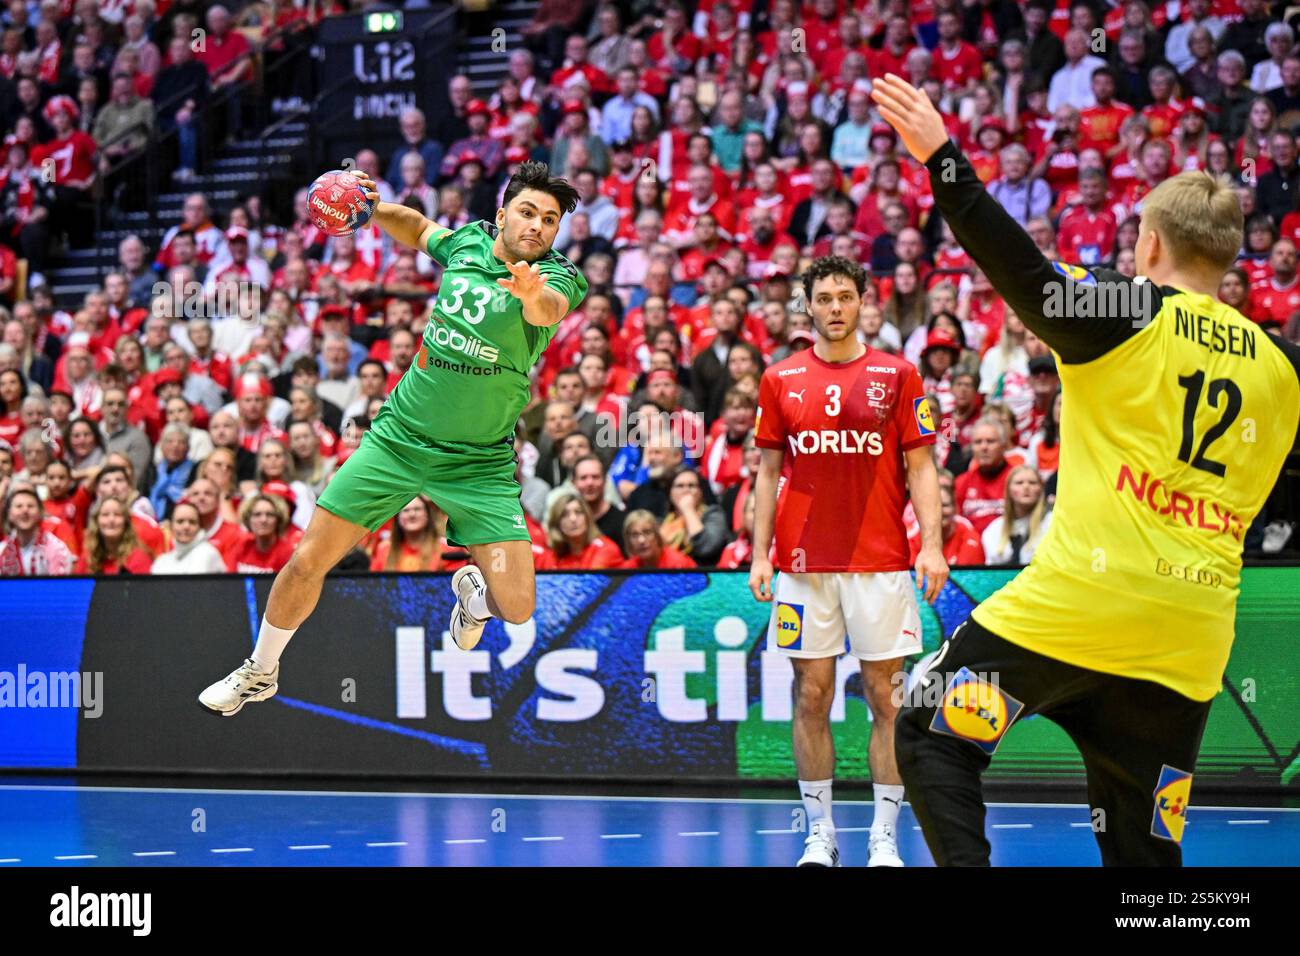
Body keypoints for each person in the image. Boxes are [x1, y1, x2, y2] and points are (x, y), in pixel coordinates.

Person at [872, 73, 1300, 866]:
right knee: (1143, 851)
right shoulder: (1285, 370)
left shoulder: (1128, 310)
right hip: (1190, 644)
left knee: (929, 728)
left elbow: (1022, 270)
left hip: (1077, 614)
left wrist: (943, 159)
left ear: (1149, 246)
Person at [199, 161, 587, 715]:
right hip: (398, 440)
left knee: (518, 608)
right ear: (502, 215)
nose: (538, 226)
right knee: (308, 559)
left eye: (549, 220)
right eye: (528, 212)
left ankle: (472, 596)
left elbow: (548, 308)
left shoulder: (558, 278)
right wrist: (371, 210)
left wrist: (530, 293)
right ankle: (260, 670)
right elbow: (416, 226)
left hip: (478, 463)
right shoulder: (467, 245)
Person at [748, 255, 948, 869]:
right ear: (806, 305)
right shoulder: (779, 378)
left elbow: (921, 467)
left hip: (883, 564)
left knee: (887, 701)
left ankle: (883, 836)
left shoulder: (901, 374)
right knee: (810, 695)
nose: (835, 307)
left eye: (845, 296)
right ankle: (820, 832)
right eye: (823, 298)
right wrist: (759, 554)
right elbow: (767, 472)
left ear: (863, 301)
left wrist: (933, 545)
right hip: (803, 568)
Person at [980, 465, 1052, 566]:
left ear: (1041, 488)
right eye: (1019, 483)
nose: (1026, 487)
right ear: (1008, 490)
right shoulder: (994, 529)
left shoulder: (1052, 524)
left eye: (1032, 483)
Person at [535, 492, 623, 570]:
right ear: (557, 523)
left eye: (578, 512)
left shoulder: (605, 549)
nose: (573, 519)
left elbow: (589, 583)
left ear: (587, 518)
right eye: (565, 515)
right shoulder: (552, 556)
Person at [0, 486, 74, 576]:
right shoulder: (2, 550)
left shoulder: (56, 548)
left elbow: (60, 587)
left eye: (30, 506)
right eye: (19, 506)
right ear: (9, 514)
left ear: (41, 512)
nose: (25, 510)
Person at [78, 496, 153, 574]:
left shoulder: (139, 558)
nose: (111, 519)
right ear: (96, 522)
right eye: (105, 515)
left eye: (117, 514)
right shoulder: (88, 558)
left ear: (126, 523)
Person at [152, 499, 226, 574]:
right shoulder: (161, 562)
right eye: (180, 521)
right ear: (171, 526)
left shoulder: (208, 553)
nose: (186, 526)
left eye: (192, 522)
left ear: (199, 526)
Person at [369, 496, 442, 572]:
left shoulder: (444, 549)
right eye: (406, 510)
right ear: (398, 518)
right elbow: (372, 582)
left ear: (427, 515)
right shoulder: (384, 550)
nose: (412, 514)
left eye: (417, 509)